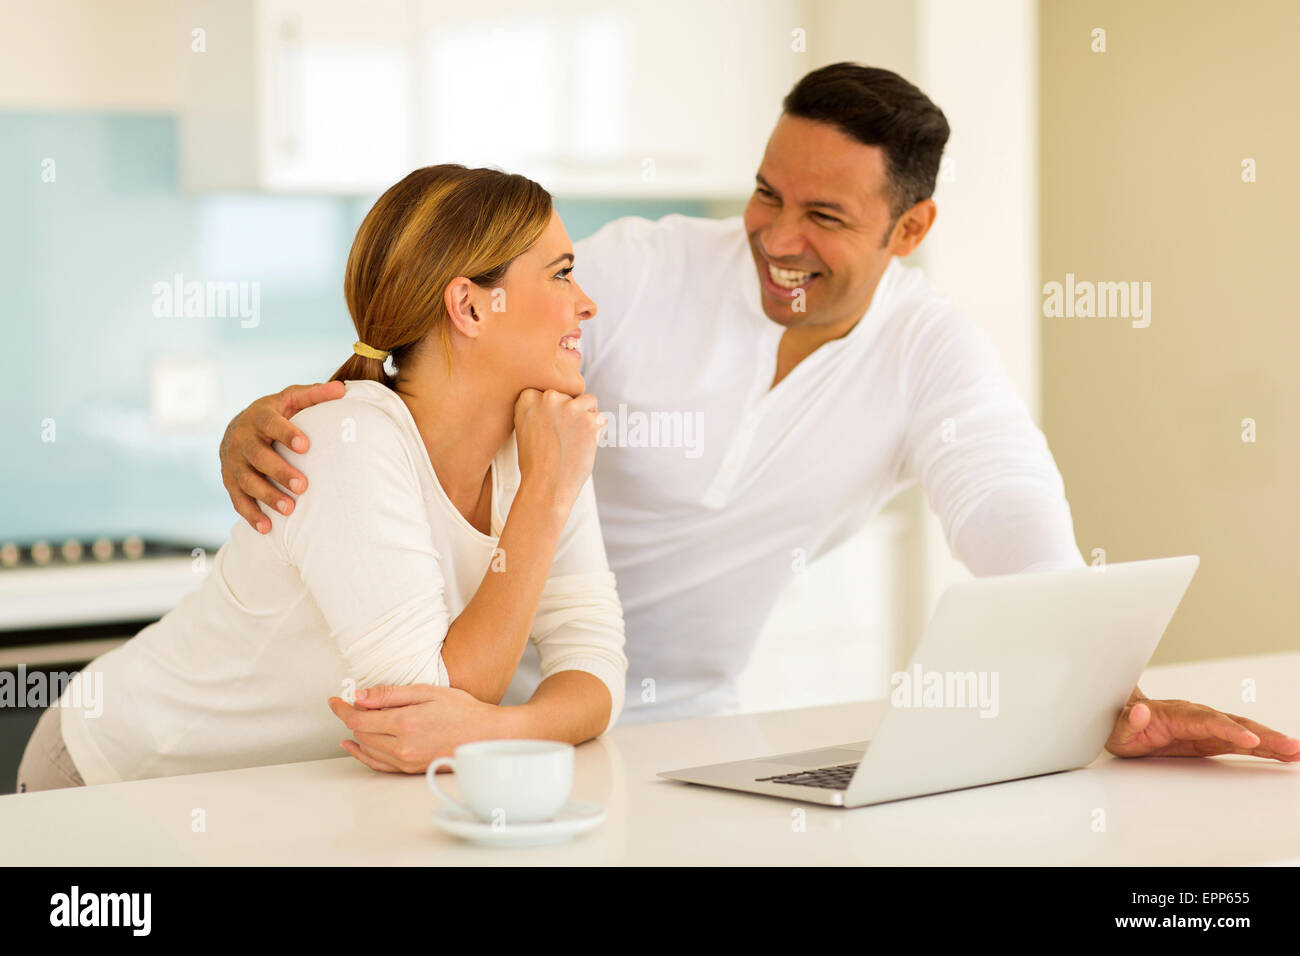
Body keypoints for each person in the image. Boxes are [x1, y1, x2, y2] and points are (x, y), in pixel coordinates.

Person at [219, 64, 1299, 773]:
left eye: (824, 215)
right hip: (456, 707)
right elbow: (452, 326)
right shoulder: (642, 272)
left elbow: (1010, 507)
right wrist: (292, 409)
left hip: (673, 727)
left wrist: (1112, 685)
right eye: (766, 194)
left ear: (910, 226)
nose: (776, 237)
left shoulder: (929, 349)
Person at [16, 164, 626, 791]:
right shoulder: (346, 443)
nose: (587, 302)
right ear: (470, 306)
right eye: (561, 274)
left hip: (276, 797)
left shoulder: (543, 442)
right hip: (119, 775)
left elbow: (594, 664)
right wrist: (545, 495)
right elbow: (418, 706)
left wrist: (501, 732)